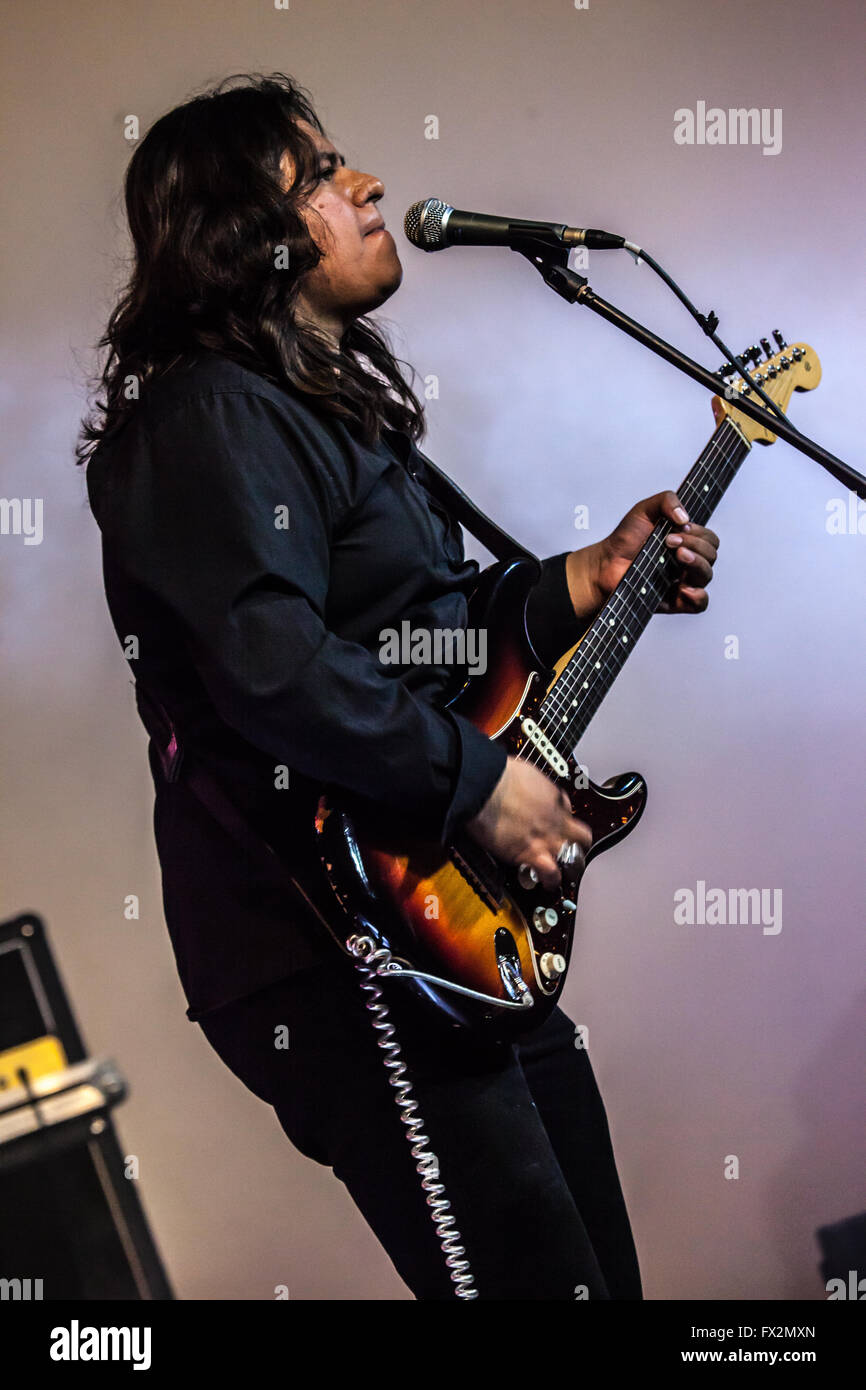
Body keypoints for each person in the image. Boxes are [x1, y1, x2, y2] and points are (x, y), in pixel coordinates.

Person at [80, 73, 719, 1300]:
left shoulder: (317, 408)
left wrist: (591, 572)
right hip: (331, 939)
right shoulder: (203, 417)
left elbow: (417, 641)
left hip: (436, 920)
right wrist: (479, 785)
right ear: (245, 233)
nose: (364, 184)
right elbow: (273, 667)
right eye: (316, 175)